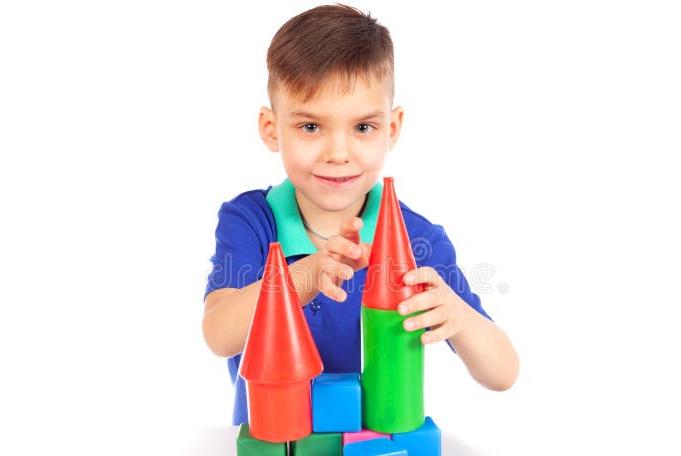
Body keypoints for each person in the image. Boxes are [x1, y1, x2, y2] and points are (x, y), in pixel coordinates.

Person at [202, 4, 519, 425]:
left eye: (363, 127)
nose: (338, 154)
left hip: (368, 448)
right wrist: (308, 275)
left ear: (391, 128)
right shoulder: (249, 220)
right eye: (311, 127)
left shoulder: (415, 238)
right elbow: (219, 335)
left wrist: (458, 318)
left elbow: (503, 373)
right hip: (275, 454)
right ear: (271, 129)